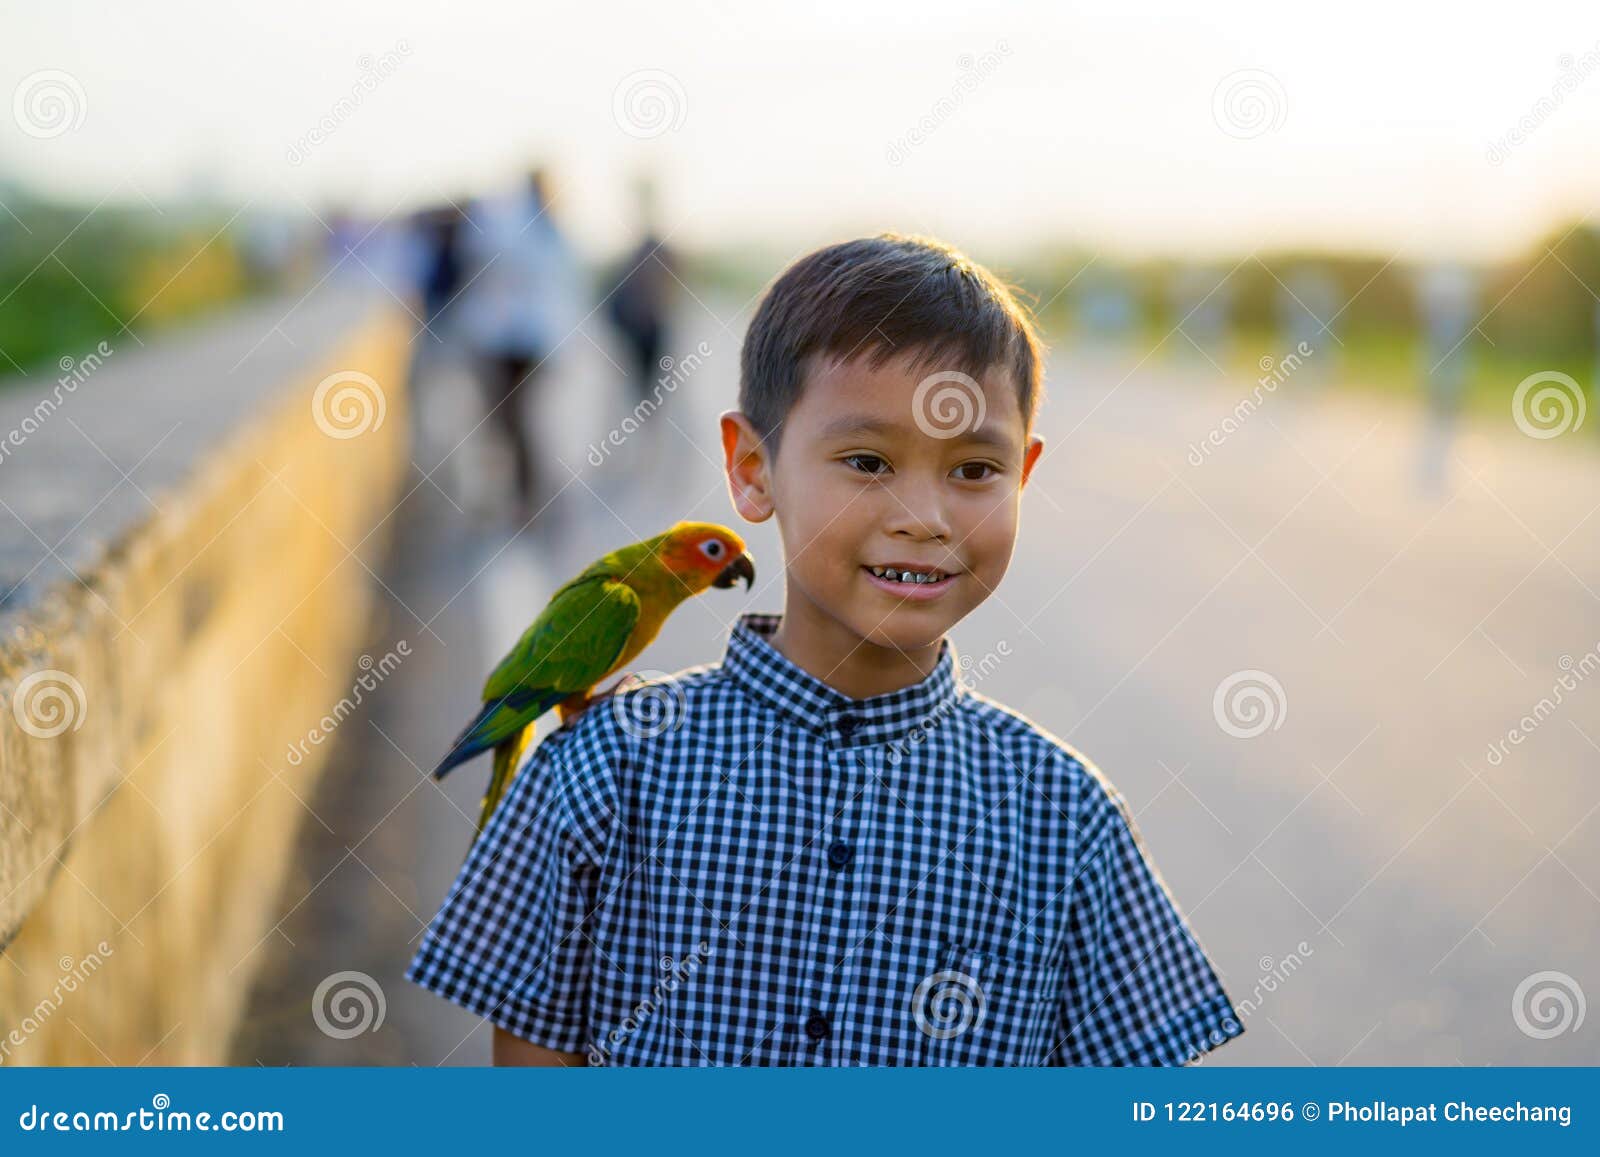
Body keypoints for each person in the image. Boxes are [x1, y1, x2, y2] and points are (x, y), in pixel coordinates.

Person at [407, 234, 1245, 1066]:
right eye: (869, 461)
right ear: (753, 470)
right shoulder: (598, 773)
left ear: (1023, 474)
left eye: (974, 470)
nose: (926, 516)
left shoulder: (1067, 819)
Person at [455, 168, 582, 521]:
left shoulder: (530, 229)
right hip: (512, 343)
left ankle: (529, 497)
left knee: (518, 422)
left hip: (524, 344)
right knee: (511, 423)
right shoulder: (535, 228)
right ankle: (525, 495)